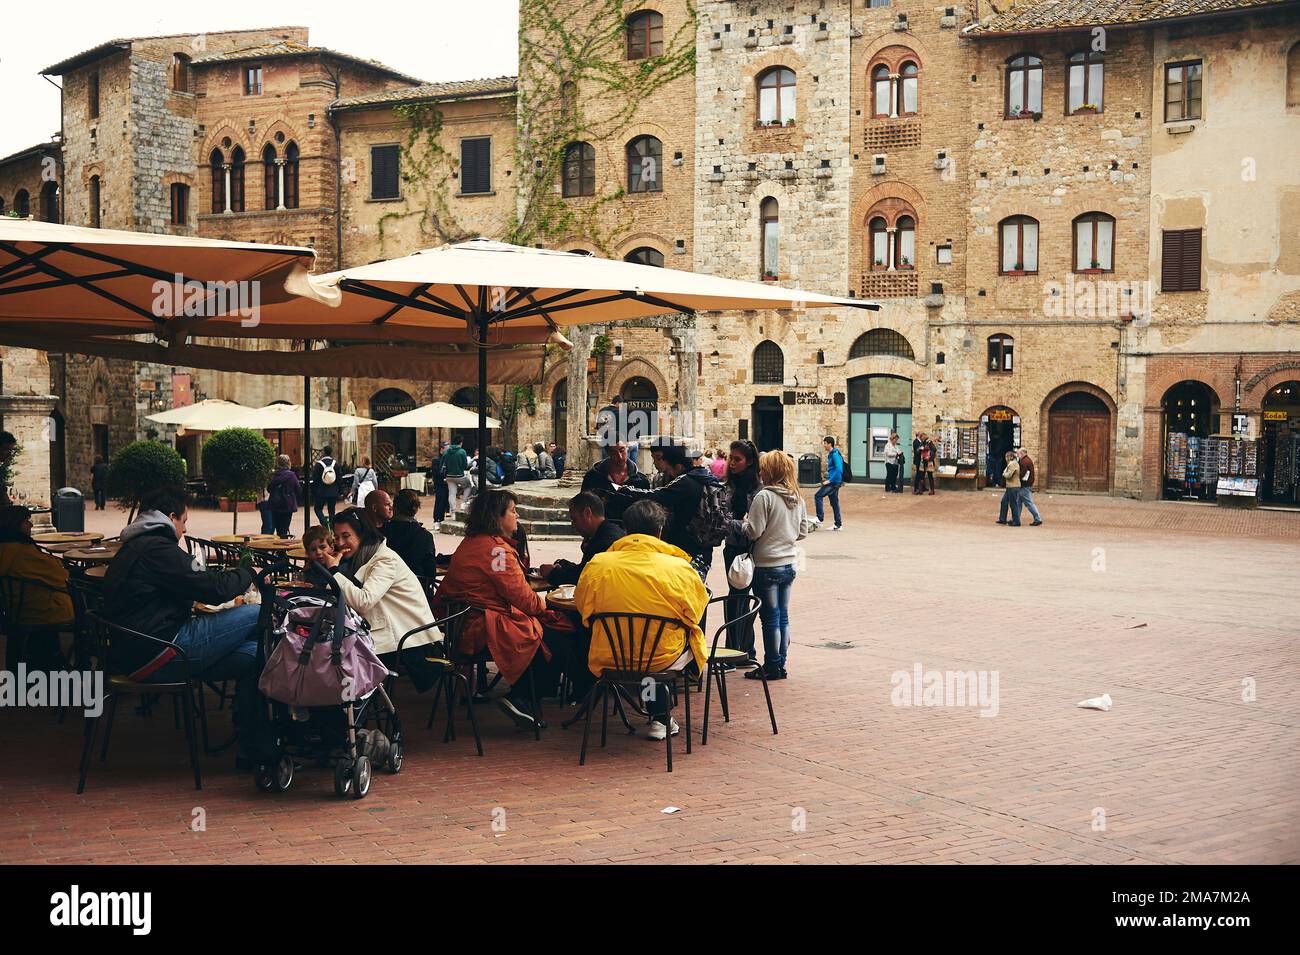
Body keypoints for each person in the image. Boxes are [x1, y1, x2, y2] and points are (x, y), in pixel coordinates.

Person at [102, 487, 267, 762]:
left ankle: (252, 744)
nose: (184, 530)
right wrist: (249, 573)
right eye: (184, 522)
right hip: (159, 652)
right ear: (170, 517)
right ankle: (266, 738)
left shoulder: (136, 546)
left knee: (256, 654)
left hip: (134, 651)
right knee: (257, 613)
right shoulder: (158, 549)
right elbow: (213, 587)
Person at [435, 489, 570, 729]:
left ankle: (525, 699)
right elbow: (523, 598)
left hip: (461, 624)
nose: (517, 516)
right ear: (497, 516)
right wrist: (545, 603)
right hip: (479, 627)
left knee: (547, 632)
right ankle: (522, 699)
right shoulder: (496, 550)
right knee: (555, 638)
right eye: (513, 511)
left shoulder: (473, 542)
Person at [574, 500, 708, 741]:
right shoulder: (679, 567)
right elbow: (695, 613)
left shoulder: (599, 564)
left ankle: (656, 714)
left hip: (610, 654)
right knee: (665, 645)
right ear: (659, 532)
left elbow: (583, 608)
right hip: (661, 656)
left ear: (626, 530)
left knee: (637, 645)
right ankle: (659, 716)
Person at [316, 509, 440, 691]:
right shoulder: (358, 559)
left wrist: (334, 572)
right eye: (336, 537)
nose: (340, 543)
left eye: (346, 536)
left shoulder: (384, 560)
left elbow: (363, 601)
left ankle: (349, 709)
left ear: (363, 534)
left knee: (334, 658)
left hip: (405, 640)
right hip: (380, 632)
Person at [734, 451, 806, 680]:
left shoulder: (764, 497)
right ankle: (780, 662)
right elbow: (802, 531)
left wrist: (741, 524)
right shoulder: (797, 497)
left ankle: (772, 664)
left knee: (770, 617)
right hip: (788, 563)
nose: (760, 472)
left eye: (763, 468)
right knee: (783, 616)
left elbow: (754, 531)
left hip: (766, 565)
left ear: (771, 471)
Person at [609, 441, 724, 579]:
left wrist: (626, 491)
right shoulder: (701, 477)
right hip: (701, 546)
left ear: (678, 466)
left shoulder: (686, 482)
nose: (666, 474)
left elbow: (658, 496)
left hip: (688, 546)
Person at [0, 505, 73, 668]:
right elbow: (61, 578)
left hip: (13, 610)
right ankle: (75, 656)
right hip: (38, 610)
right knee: (81, 601)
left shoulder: (5, 548)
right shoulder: (22, 551)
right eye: (27, 521)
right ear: (15, 524)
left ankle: (47, 657)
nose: (31, 525)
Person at [537, 492, 625, 587]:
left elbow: (582, 578)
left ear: (587, 513)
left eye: (575, 519)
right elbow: (584, 569)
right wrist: (563, 564)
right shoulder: (605, 533)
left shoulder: (605, 541)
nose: (573, 525)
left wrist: (552, 573)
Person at [722, 439, 760, 653]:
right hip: (733, 548)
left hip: (752, 549)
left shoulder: (757, 488)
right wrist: (738, 524)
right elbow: (723, 518)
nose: (733, 463)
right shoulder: (728, 486)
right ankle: (736, 647)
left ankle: (744, 649)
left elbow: (755, 524)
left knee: (744, 598)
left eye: (738, 459)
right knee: (735, 598)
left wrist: (737, 524)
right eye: (731, 458)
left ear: (749, 462)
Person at [580, 440, 649, 525]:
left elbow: (647, 511)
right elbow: (583, 505)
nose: (619, 456)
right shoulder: (592, 477)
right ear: (608, 453)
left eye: (622, 450)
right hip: (602, 530)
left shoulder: (642, 480)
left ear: (627, 448)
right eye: (614, 453)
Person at [382, 488, 439, 579]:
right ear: (415, 509)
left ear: (395, 508)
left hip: (386, 585)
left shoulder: (382, 531)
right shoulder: (424, 536)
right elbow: (430, 572)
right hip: (416, 587)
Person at [266, 454, 302, 538]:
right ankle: (282, 549)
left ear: (278, 463)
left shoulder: (274, 475)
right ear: (288, 463)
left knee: (278, 529)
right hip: (287, 505)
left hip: (274, 505)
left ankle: (279, 547)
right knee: (284, 529)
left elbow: (269, 489)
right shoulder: (292, 476)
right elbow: (298, 490)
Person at [814, 436, 844, 531]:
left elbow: (839, 469)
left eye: (825, 443)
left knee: (818, 495)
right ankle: (838, 524)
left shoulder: (834, 454)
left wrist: (830, 480)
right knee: (834, 502)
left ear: (829, 444)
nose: (824, 445)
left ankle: (819, 518)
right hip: (836, 481)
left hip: (834, 482)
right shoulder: (832, 453)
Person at [310, 446, 341, 525]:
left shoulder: (318, 464)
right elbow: (339, 478)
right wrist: (338, 490)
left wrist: (315, 491)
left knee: (318, 508)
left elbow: (315, 480)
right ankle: (332, 526)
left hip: (322, 490)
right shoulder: (335, 464)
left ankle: (324, 523)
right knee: (331, 511)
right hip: (333, 490)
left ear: (323, 452)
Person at [442, 435, 470, 516]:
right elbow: (465, 466)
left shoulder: (446, 451)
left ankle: (453, 511)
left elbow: (442, 464)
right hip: (459, 475)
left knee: (452, 493)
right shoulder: (462, 451)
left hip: (449, 476)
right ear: (461, 443)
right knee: (468, 486)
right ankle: (464, 503)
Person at [1017, 448, 1044, 526]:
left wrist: (1016, 478)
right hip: (1026, 484)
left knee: (1028, 503)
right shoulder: (1027, 460)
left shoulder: (1024, 461)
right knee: (1018, 502)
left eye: (1018, 453)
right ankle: (1016, 518)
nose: (1017, 455)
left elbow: (1022, 473)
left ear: (1022, 453)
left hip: (1024, 485)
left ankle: (1037, 518)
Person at [996, 451, 1023, 526]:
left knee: (1013, 504)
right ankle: (1002, 519)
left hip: (1013, 486)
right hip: (1010, 486)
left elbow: (1008, 475)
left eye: (1006, 457)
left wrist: (1004, 474)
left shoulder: (1012, 464)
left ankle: (1016, 521)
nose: (1005, 458)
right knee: (1004, 502)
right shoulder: (1012, 463)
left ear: (1009, 457)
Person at [428, 441, 450, 529]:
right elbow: (436, 472)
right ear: (442, 450)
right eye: (447, 449)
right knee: (439, 500)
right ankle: (437, 520)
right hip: (439, 484)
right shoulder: (436, 460)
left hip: (447, 483)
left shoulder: (448, 459)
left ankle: (441, 519)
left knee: (445, 501)